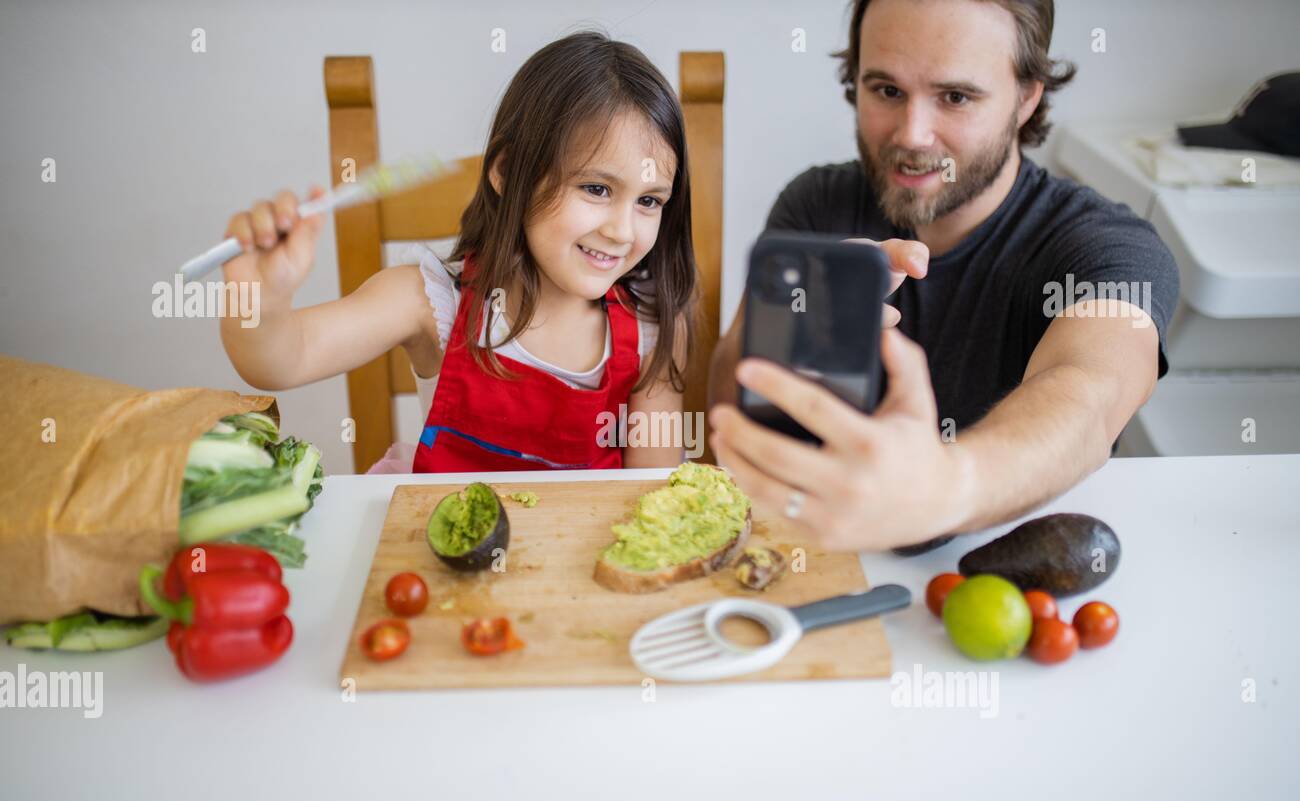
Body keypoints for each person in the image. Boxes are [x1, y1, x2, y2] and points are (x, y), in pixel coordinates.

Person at [708, 0, 1178, 552]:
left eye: (955, 97)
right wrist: (787, 330)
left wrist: (947, 487)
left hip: (1004, 572)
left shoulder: (1104, 246)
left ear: (1027, 97)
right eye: (886, 90)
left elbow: (1090, 398)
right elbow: (724, 401)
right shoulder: (818, 205)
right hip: (825, 557)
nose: (913, 135)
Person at [219, 31, 693, 473]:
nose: (621, 230)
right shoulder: (429, 299)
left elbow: (651, 496)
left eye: (649, 200)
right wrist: (260, 300)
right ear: (507, 173)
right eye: (596, 188)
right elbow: (280, 361)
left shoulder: (655, 326)